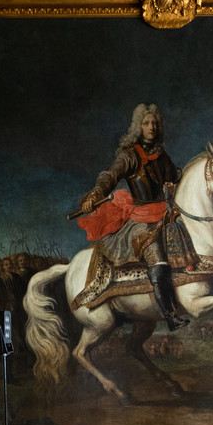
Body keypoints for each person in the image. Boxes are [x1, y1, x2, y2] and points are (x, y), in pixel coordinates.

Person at [77, 103, 190, 330]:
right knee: (157, 258)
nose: (152, 127)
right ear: (138, 127)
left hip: (164, 216)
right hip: (141, 221)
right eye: (147, 123)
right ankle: (170, 316)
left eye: (155, 123)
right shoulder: (129, 156)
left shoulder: (161, 155)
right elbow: (110, 176)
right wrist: (97, 193)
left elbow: (178, 175)